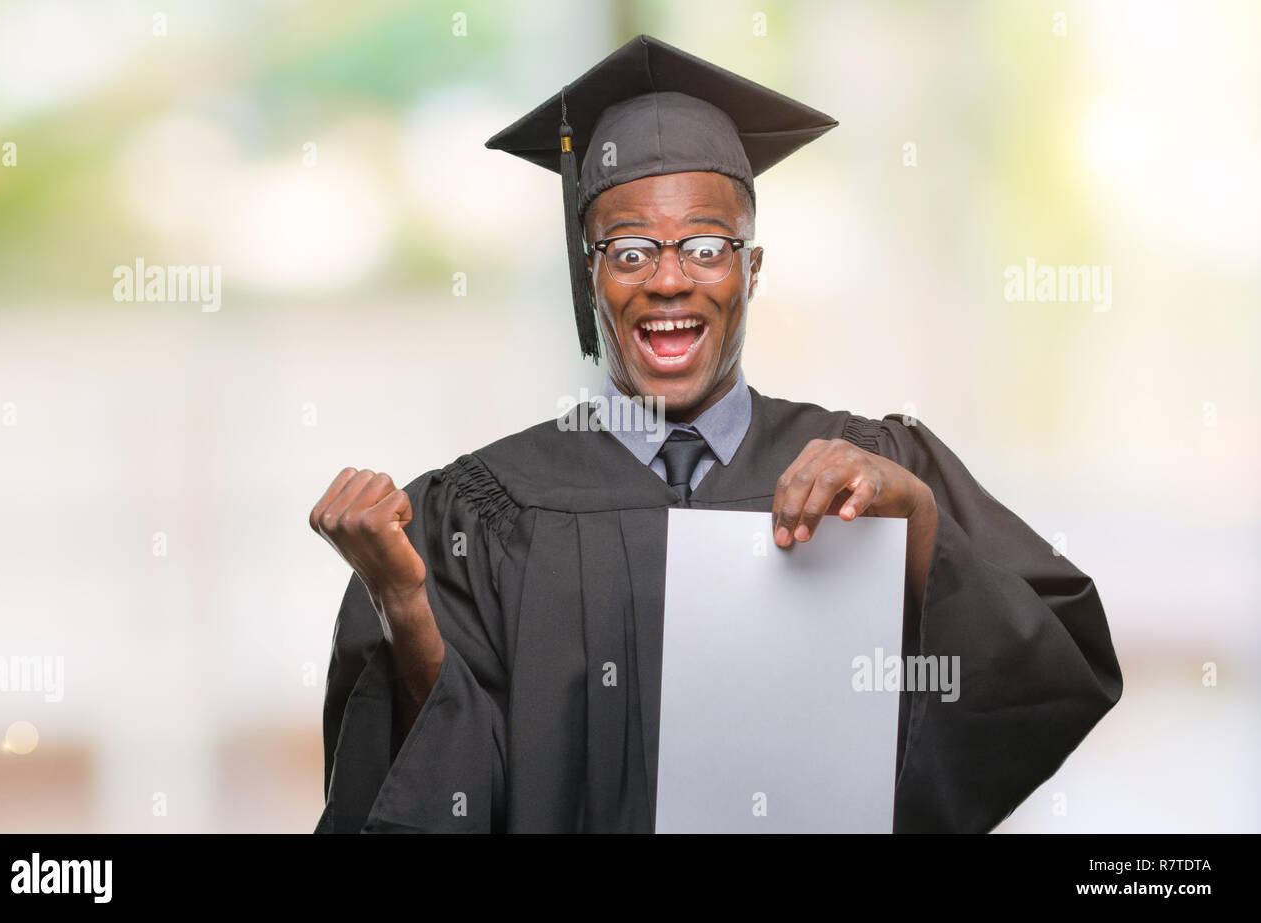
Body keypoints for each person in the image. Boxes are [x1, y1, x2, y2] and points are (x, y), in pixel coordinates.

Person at [309, 34, 1122, 834]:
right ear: (589, 273)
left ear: (752, 270)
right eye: (629, 251)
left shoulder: (877, 474)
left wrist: (916, 532)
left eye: (706, 246)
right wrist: (403, 601)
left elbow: (1051, 677)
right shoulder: (476, 516)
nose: (669, 278)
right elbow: (432, 797)